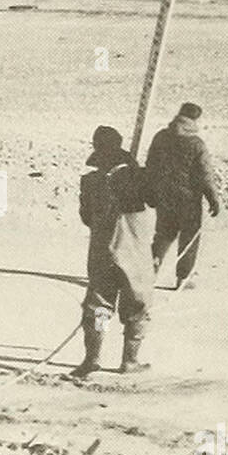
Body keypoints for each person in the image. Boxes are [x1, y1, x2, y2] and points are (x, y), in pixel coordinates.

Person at [71, 125, 153, 378]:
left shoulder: (90, 181)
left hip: (102, 252)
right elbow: (156, 199)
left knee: (100, 307)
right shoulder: (137, 178)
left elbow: (86, 217)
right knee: (136, 306)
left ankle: (92, 359)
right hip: (133, 253)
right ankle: (130, 361)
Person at [144, 102, 220, 288]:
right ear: (195, 120)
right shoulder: (196, 144)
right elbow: (205, 175)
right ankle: (182, 279)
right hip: (188, 199)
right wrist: (213, 198)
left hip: (164, 196)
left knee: (163, 235)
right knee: (189, 238)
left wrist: (150, 191)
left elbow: (150, 166)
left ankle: (149, 273)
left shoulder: (161, 137)